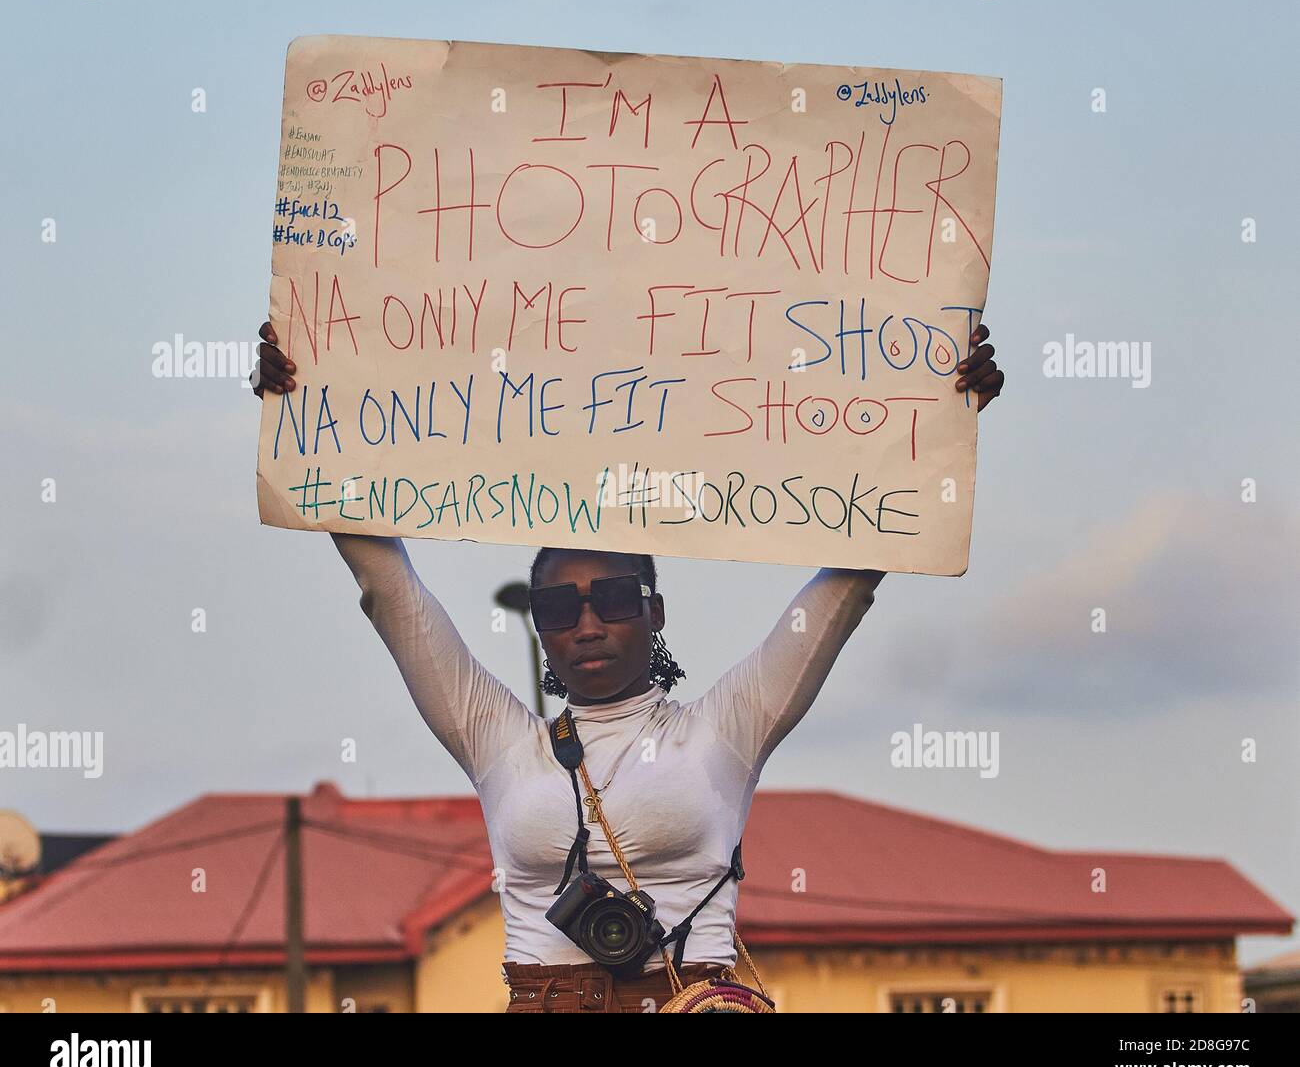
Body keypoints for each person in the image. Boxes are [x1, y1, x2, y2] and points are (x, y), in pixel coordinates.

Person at [253, 319, 1005, 1012]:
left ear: (656, 611)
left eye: (611, 597)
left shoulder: (725, 731)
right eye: (556, 608)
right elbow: (392, 594)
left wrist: (939, 416)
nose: (586, 623)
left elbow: (849, 578)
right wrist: (303, 413)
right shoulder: (499, 743)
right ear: (540, 631)